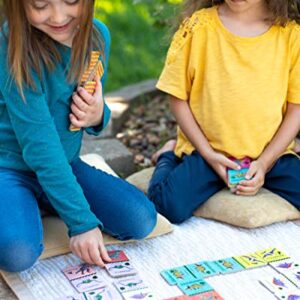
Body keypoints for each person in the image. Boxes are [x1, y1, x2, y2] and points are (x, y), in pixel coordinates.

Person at [0, 0, 157, 272]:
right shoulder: (10, 46)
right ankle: (34, 201)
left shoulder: (96, 36)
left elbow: (89, 108)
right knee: (18, 254)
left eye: (71, 0)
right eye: (40, 4)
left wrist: (98, 115)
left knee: (141, 219)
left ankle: (47, 198)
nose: (59, 16)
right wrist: (81, 222)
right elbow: (40, 147)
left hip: (66, 162)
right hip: (10, 168)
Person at [148, 0, 300, 224]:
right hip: (209, 152)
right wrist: (209, 154)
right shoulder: (198, 27)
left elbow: (296, 108)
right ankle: (168, 154)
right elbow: (178, 98)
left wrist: (265, 162)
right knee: (169, 206)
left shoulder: (291, 35)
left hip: (271, 156)